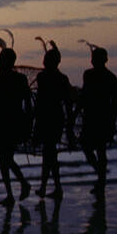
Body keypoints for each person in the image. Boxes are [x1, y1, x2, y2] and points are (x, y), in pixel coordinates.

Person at [0, 29, 32, 205]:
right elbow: (28, 102)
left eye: (0, 60)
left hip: (6, 121)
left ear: (6, 62)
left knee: (5, 159)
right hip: (13, 121)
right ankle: (17, 189)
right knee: (5, 159)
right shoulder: (20, 79)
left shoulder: (0, 79)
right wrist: (28, 122)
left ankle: (16, 189)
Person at [32, 38, 73, 200]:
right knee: (50, 154)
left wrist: (35, 119)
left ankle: (51, 187)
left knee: (49, 154)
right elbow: (68, 102)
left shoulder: (43, 77)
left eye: (46, 59)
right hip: (55, 117)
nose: (43, 61)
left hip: (47, 117)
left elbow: (41, 100)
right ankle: (52, 187)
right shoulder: (62, 79)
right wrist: (69, 123)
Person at [78, 40, 117, 194]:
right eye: (93, 58)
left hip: (100, 118)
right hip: (93, 117)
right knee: (89, 148)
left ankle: (101, 180)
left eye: (95, 58)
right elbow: (84, 95)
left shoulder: (109, 78)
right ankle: (101, 176)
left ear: (103, 60)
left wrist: (112, 121)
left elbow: (114, 102)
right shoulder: (91, 75)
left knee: (98, 150)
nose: (93, 61)